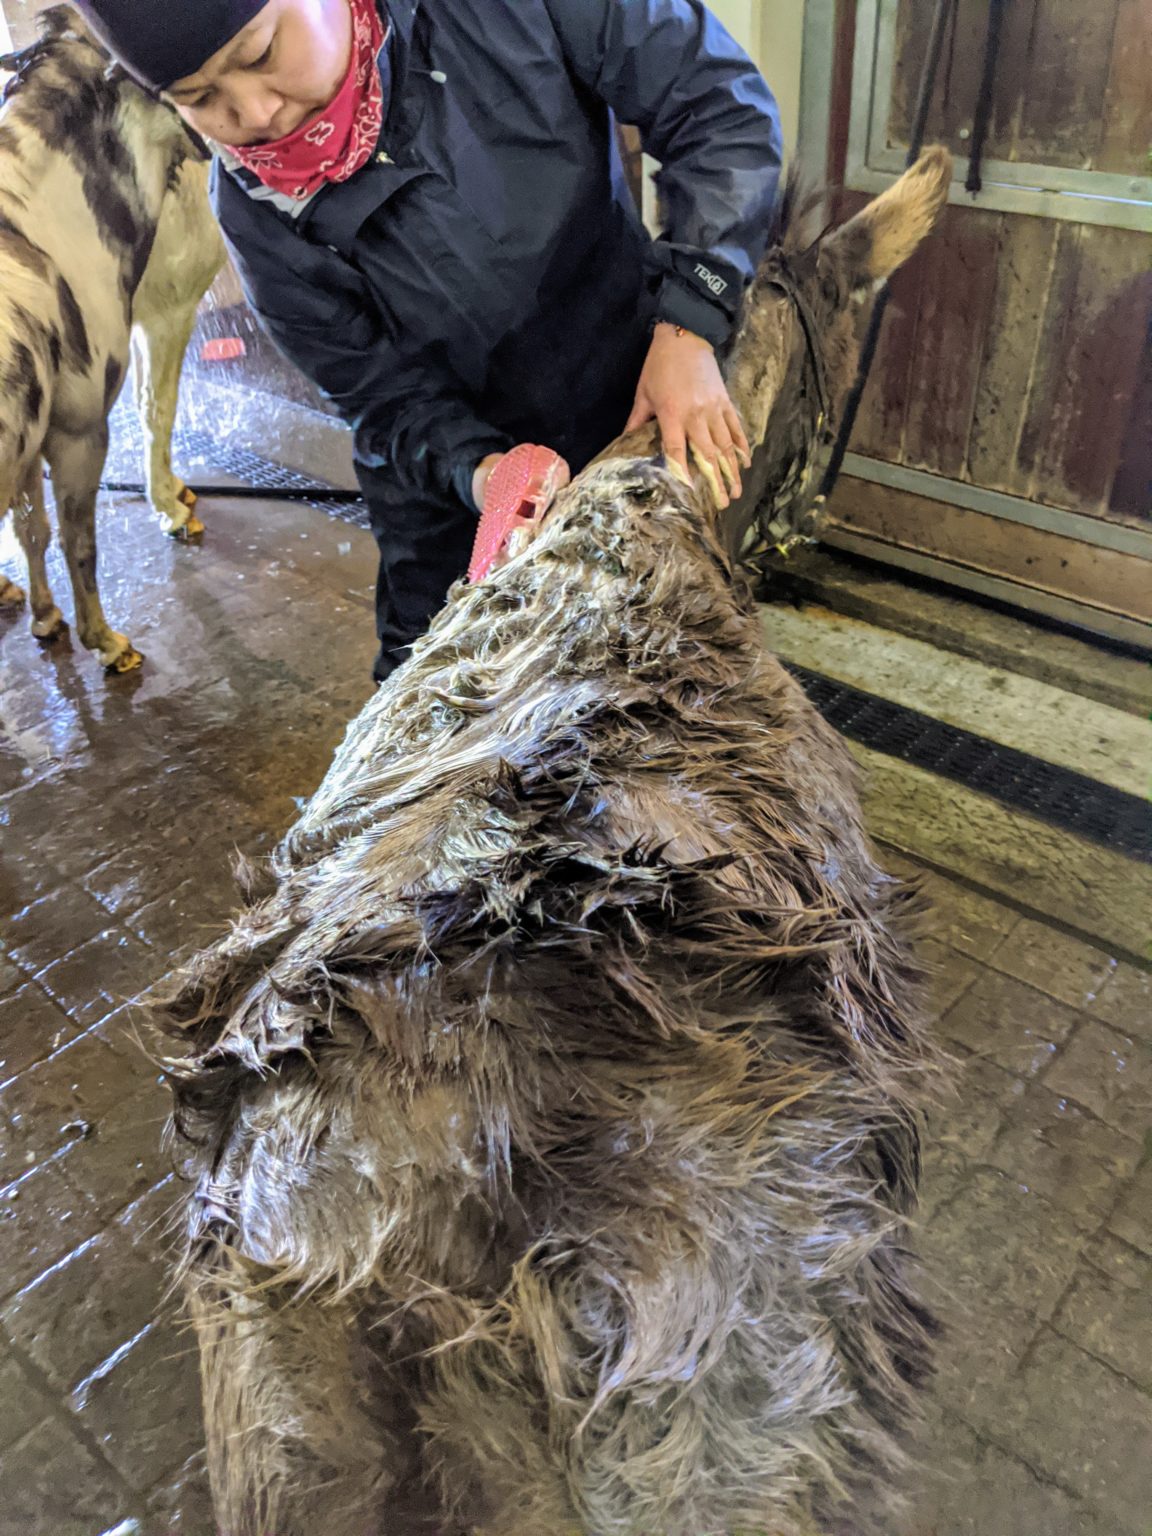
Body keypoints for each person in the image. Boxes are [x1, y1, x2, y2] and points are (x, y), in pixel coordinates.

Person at [79, 0, 782, 681]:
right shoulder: (252, 211)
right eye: (200, 97)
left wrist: (690, 322)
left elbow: (715, 103)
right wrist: (479, 473)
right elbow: (378, 394)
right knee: (437, 697)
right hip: (446, 493)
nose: (255, 113)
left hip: (627, 380)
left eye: (262, 52)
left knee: (654, 665)